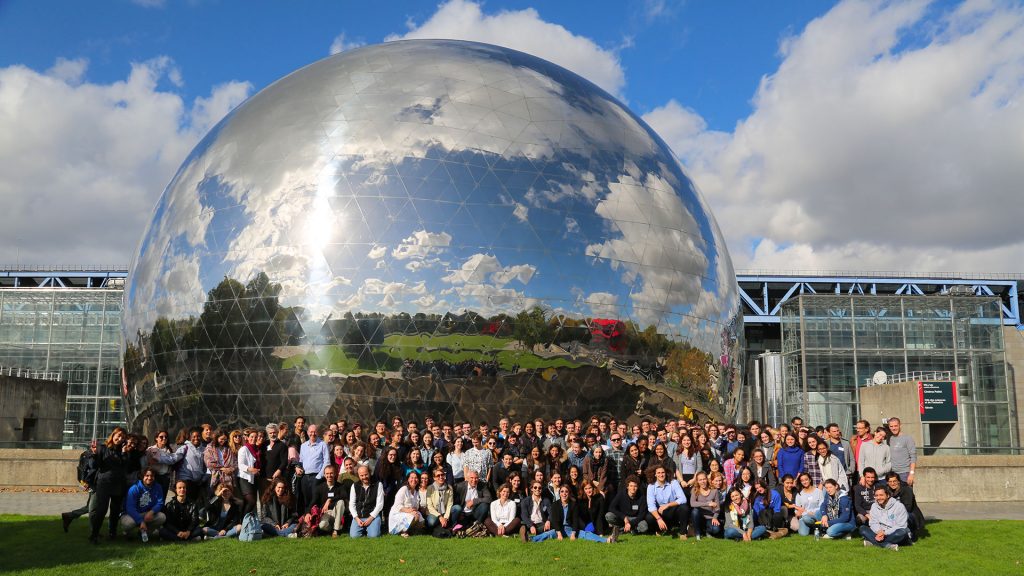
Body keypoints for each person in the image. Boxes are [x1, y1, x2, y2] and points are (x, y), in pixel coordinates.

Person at [88, 427, 132, 544]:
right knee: (101, 510)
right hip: (104, 484)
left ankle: (112, 533)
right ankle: (94, 534)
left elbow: (125, 466)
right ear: (113, 435)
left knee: (115, 510)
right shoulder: (102, 448)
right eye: (118, 435)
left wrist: (124, 453)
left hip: (119, 483)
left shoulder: (124, 450)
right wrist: (93, 454)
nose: (120, 438)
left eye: (122, 437)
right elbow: (94, 465)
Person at [120, 468, 166, 541]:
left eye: (152, 476)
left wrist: (151, 512)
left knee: (162, 517)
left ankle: (144, 532)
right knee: (128, 524)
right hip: (131, 514)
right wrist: (141, 521)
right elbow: (130, 508)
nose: (149, 478)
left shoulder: (158, 487)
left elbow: (160, 503)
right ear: (142, 476)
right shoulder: (134, 488)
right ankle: (127, 532)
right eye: (147, 475)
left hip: (147, 513)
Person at [644, 465, 689, 539]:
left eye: (663, 472)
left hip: (672, 510)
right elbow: (651, 506)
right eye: (658, 473)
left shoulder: (673, 482)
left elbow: (683, 499)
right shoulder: (651, 486)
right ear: (655, 474)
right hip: (660, 512)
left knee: (684, 507)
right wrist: (659, 519)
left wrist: (667, 505)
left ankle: (683, 533)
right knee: (649, 517)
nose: (661, 475)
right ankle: (660, 530)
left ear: (666, 473)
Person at [62, 439, 97, 533]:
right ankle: (94, 532)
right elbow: (85, 470)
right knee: (92, 508)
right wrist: (85, 483)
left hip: (92, 483)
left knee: (91, 507)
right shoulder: (89, 455)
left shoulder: (86, 454)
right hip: (93, 484)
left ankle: (69, 516)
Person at [860, 485, 909, 550]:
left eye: (881, 495)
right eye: (876, 495)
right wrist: (879, 531)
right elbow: (873, 522)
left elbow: (901, 525)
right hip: (879, 532)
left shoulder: (899, 506)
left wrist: (884, 532)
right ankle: (887, 545)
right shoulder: (874, 506)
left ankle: (873, 542)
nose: (878, 498)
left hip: (893, 532)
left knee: (901, 533)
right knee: (862, 529)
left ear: (888, 495)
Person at [296, 424, 331, 513]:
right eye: (311, 432)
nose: (313, 433)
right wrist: (298, 468)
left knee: (315, 501)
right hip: (305, 477)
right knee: (306, 500)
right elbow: (301, 460)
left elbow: (327, 462)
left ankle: (316, 521)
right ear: (307, 433)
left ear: (318, 432)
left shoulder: (323, 444)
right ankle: (307, 521)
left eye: (315, 431)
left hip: (317, 477)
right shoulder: (303, 446)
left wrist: (318, 477)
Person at [885, 472, 925, 538]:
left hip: (911, 514)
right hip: (895, 513)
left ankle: (910, 533)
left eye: (894, 481)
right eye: (890, 481)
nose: (892, 483)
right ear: (887, 482)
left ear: (898, 481)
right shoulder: (887, 490)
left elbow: (908, 507)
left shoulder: (906, 489)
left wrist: (893, 513)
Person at [349, 464, 385, 538]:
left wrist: (371, 518)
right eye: (361, 475)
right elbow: (351, 505)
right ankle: (365, 529)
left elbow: (380, 504)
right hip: (359, 516)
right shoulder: (354, 486)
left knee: (373, 536)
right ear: (358, 476)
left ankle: (372, 527)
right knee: (354, 536)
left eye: (366, 474)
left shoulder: (378, 484)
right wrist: (356, 518)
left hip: (372, 516)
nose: (364, 477)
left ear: (369, 473)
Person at [312, 464, 346, 537]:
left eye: (331, 473)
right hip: (325, 513)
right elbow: (313, 501)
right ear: (324, 475)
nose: (329, 475)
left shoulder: (340, 486)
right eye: (327, 473)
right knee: (322, 526)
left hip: (336, 512)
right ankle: (333, 530)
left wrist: (329, 500)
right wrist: (307, 513)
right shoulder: (319, 487)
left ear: (335, 474)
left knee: (341, 502)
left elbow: (344, 496)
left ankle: (336, 530)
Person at [388, 471, 423, 537]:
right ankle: (402, 531)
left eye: (416, 478)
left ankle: (409, 530)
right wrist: (410, 511)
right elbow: (398, 506)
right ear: (408, 479)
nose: (414, 480)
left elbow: (416, 506)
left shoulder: (416, 491)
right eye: (412, 478)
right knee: (415, 517)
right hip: (398, 513)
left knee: (421, 520)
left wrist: (414, 510)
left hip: (409, 512)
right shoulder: (404, 489)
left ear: (418, 480)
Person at [688, 471, 721, 539]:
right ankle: (697, 533)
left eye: (704, 479)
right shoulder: (695, 490)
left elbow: (717, 508)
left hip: (710, 517)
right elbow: (692, 503)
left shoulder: (714, 491)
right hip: (699, 517)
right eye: (700, 480)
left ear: (707, 479)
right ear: (697, 481)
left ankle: (706, 531)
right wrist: (708, 504)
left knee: (716, 530)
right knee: (695, 511)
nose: (703, 481)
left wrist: (715, 517)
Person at [237, 429, 262, 517]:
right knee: (251, 501)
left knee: (252, 503)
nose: (254, 439)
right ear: (247, 438)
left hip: (254, 478)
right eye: (252, 437)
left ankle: (246, 522)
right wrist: (252, 469)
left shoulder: (257, 449)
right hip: (245, 478)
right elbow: (241, 465)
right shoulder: (244, 449)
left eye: (256, 437)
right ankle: (242, 521)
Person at [887, 418, 917, 485]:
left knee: (907, 495)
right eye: (891, 426)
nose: (893, 428)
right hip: (893, 474)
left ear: (900, 425)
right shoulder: (891, 439)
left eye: (895, 426)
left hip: (905, 473)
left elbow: (913, 457)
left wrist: (911, 473)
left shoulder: (908, 438)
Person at [424, 468, 454, 533]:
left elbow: (449, 504)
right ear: (434, 478)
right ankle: (440, 526)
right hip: (434, 513)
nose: (441, 477)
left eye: (442, 475)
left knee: (457, 508)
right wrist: (440, 517)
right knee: (432, 522)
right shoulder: (430, 488)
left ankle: (447, 525)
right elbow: (429, 506)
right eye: (438, 475)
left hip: (444, 513)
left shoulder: (449, 488)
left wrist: (445, 518)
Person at [794, 472, 824, 536]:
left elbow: (822, 506)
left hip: (816, 514)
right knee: (803, 534)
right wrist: (801, 513)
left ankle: (819, 527)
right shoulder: (799, 494)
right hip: (805, 516)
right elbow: (797, 509)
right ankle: (814, 527)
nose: (804, 482)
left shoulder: (818, 491)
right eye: (802, 481)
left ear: (810, 480)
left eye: (806, 479)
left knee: (810, 517)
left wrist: (814, 512)